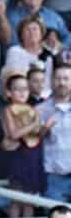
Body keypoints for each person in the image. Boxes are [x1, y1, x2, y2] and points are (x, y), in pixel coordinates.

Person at [1, 70, 48, 218]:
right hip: (18, 156)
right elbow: (13, 134)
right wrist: (34, 124)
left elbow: (38, 134)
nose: (22, 93)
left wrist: (44, 129)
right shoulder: (7, 110)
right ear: (9, 92)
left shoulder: (32, 109)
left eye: (25, 89)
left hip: (33, 156)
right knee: (16, 199)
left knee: (29, 200)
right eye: (17, 89)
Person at [40, 64, 71, 202]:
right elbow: (32, 141)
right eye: (58, 78)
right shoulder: (40, 110)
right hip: (54, 176)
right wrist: (45, 129)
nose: (62, 82)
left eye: (66, 78)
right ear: (52, 81)